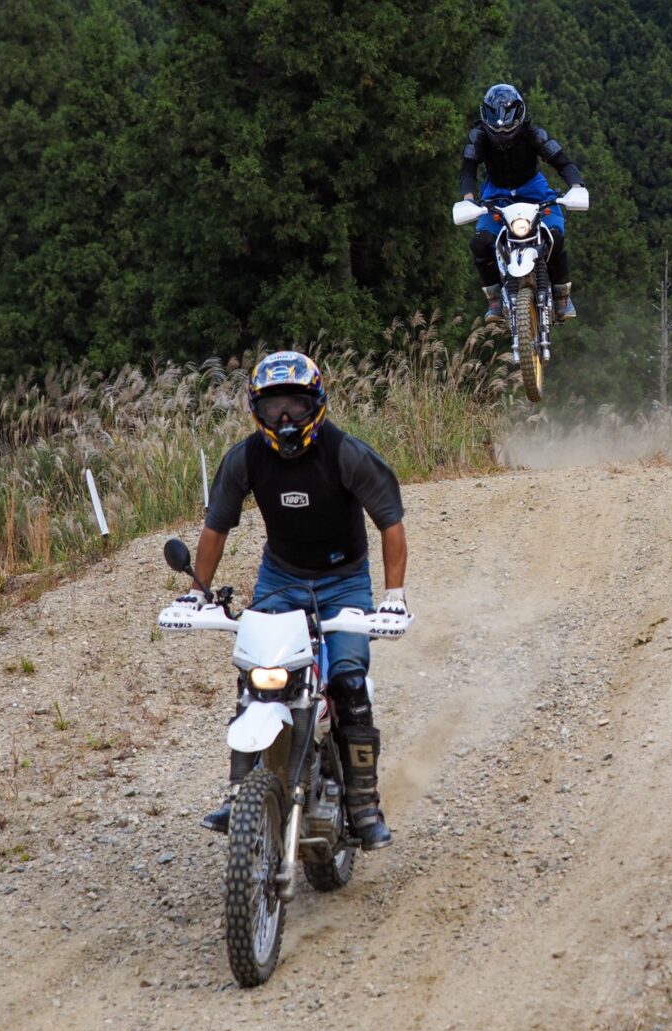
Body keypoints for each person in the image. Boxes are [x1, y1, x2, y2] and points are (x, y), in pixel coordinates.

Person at [175, 350, 408, 851]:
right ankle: (241, 791)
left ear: (316, 404)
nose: (284, 417)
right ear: (256, 409)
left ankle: (364, 804)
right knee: (256, 673)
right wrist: (197, 593)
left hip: (344, 581)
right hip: (281, 578)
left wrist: (394, 597)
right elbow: (216, 525)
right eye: (273, 406)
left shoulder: (345, 453)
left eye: (295, 405)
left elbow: (390, 520)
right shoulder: (245, 459)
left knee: (348, 682)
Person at [460, 83, 586, 323]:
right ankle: (494, 299)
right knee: (480, 243)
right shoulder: (478, 137)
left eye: (507, 125)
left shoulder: (534, 134)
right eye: (496, 126)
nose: (502, 131)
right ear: (485, 118)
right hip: (496, 195)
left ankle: (562, 296)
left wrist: (576, 187)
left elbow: (562, 162)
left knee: (555, 236)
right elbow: (468, 170)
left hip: (534, 191)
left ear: (519, 116)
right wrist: (468, 200)